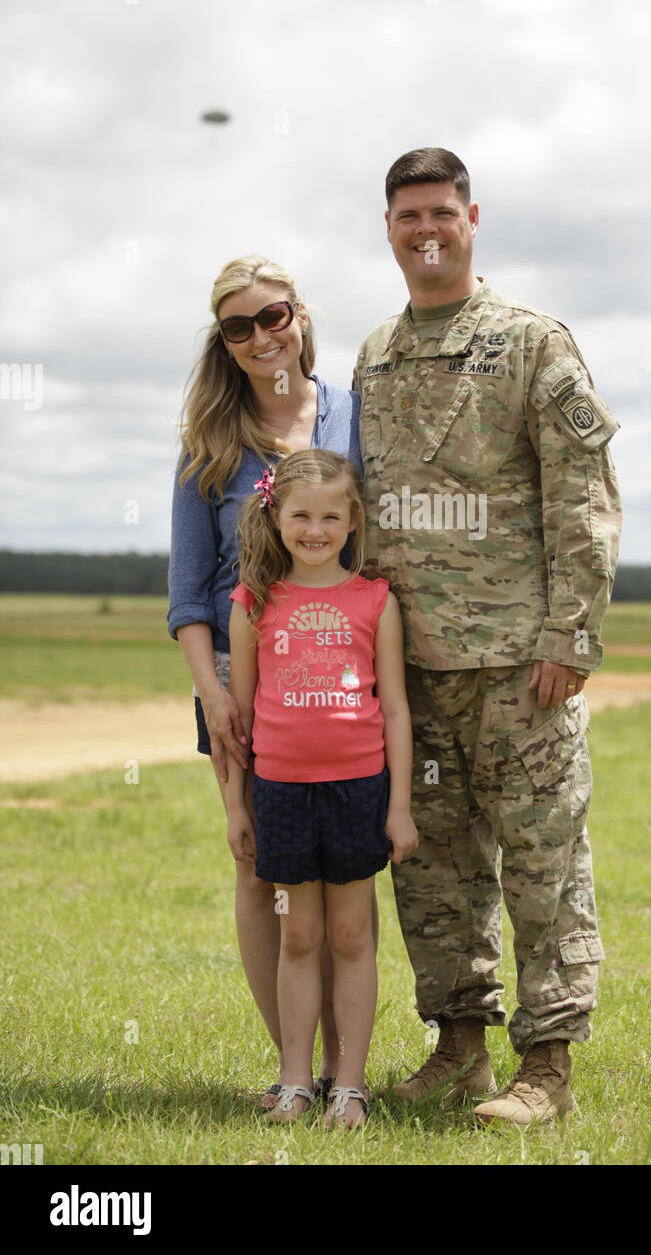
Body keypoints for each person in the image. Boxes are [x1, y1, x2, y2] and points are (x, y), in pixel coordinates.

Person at [352, 148, 623, 1126]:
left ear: (471, 218)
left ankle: (543, 1067)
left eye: (440, 211)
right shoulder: (374, 353)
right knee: (429, 866)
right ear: (386, 228)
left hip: (522, 667)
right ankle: (456, 1048)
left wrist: (569, 637)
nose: (423, 229)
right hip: (410, 673)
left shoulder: (529, 343)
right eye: (404, 215)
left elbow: (582, 501)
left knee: (543, 861)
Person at [166, 254, 373, 1110]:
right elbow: (187, 590)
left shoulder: (355, 415)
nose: (260, 337)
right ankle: (299, 1070)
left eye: (273, 317)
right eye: (238, 326)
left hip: (339, 667)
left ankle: (345, 1075)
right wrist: (214, 696)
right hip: (238, 675)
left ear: (299, 317)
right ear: (223, 341)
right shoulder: (208, 444)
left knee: (341, 878)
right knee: (261, 869)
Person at [225, 450, 416, 1128]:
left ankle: (351, 1087)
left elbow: (394, 708)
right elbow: (239, 721)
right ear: (276, 517)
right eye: (301, 515)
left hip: (358, 790)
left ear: (352, 519)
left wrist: (399, 810)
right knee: (299, 934)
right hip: (280, 792)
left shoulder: (375, 599)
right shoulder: (252, 603)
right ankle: (296, 1081)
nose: (315, 529)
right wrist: (235, 807)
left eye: (330, 516)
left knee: (350, 933)